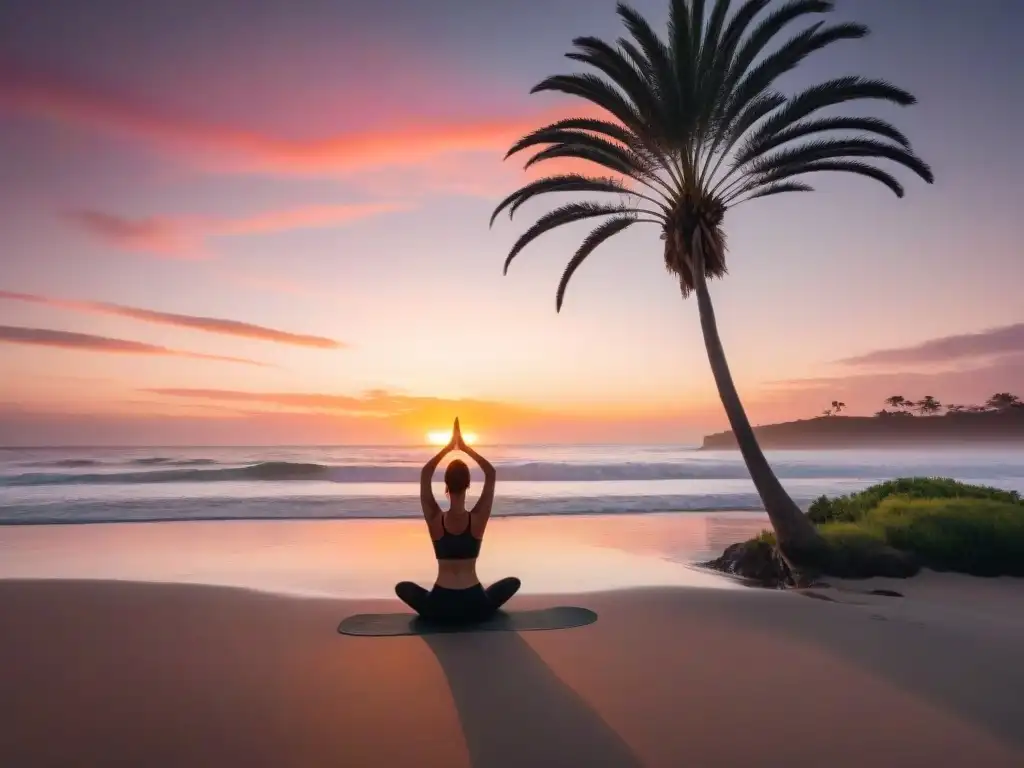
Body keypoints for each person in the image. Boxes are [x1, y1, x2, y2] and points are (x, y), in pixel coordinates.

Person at [395, 417, 520, 623]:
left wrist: (447, 447)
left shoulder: (435, 519)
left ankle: (438, 612)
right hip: (475, 604)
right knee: (512, 583)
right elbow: (491, 473)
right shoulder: (477, 519)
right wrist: (464, 447)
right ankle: (477, 610)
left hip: (440, 605)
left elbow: (426, 473)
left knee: (403, 588)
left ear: (446, 485)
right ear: (468, 485)